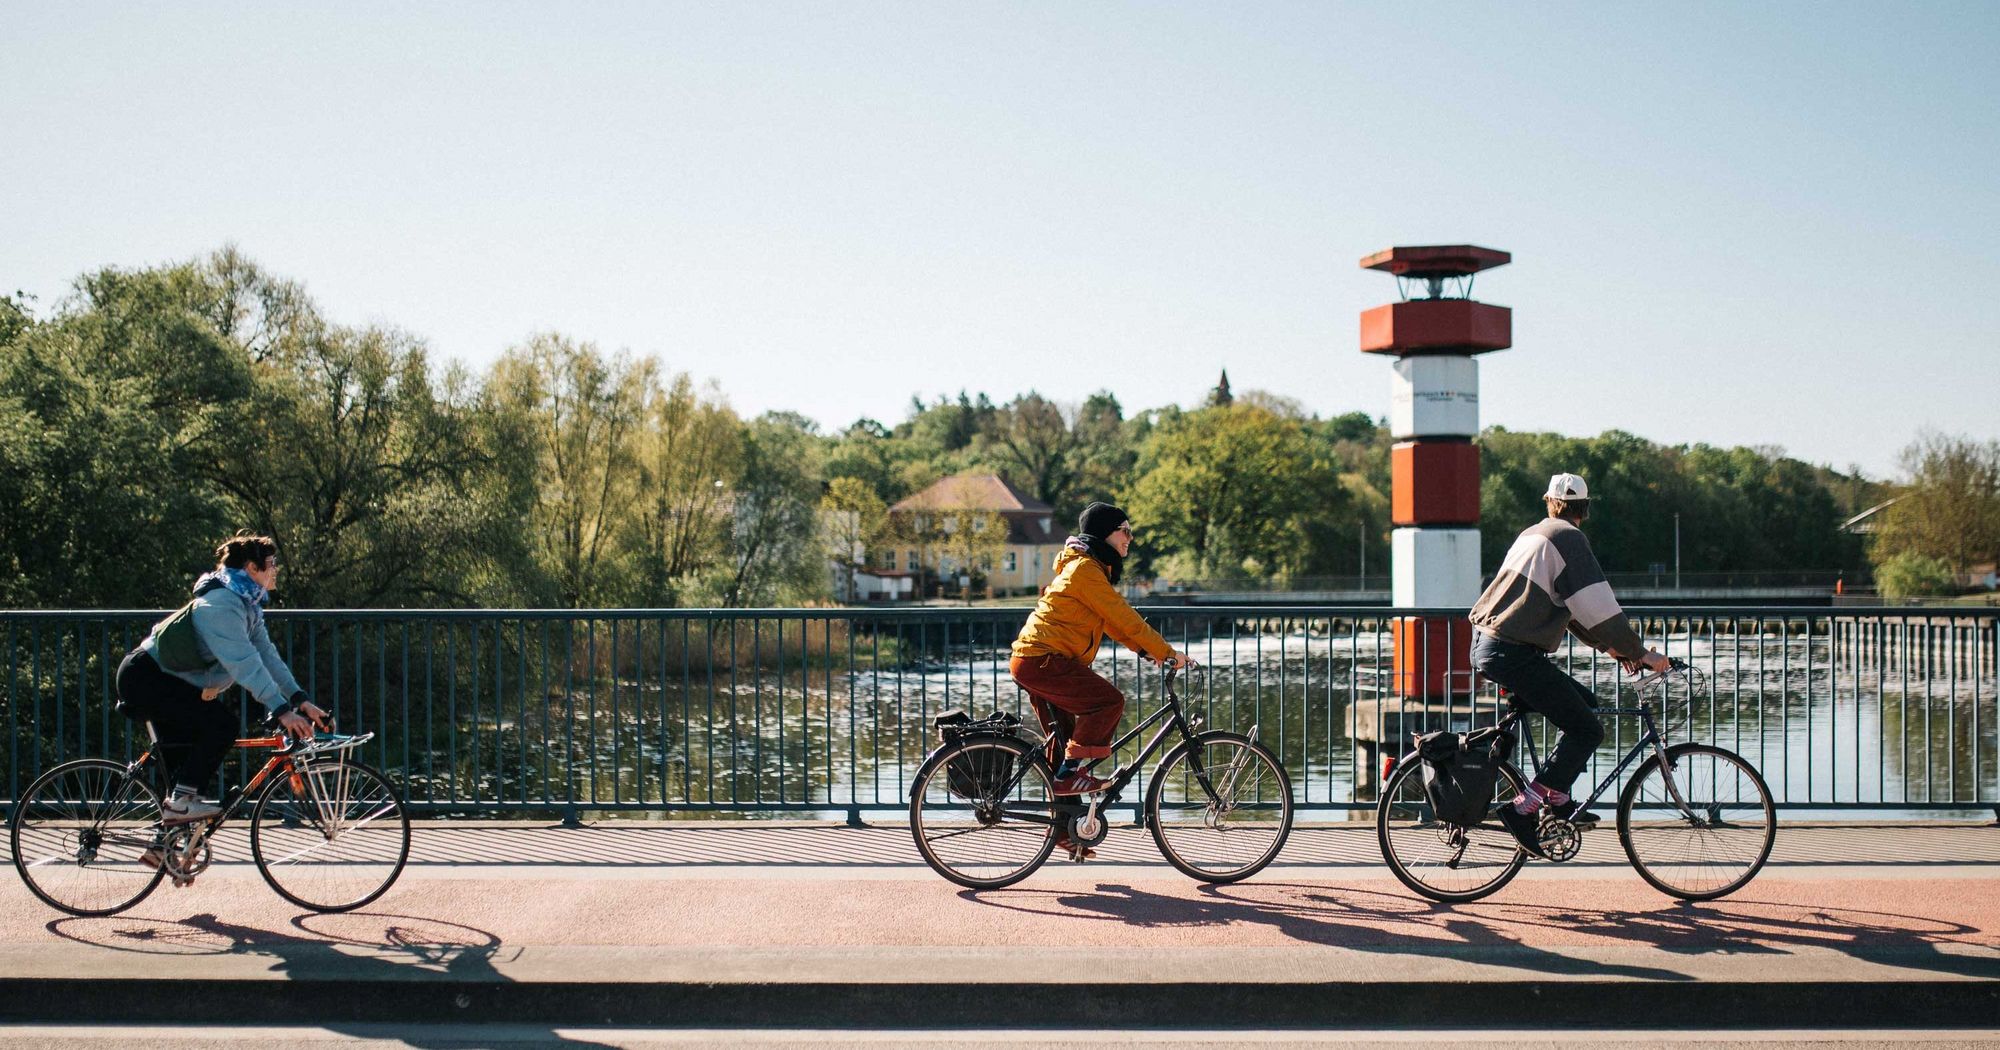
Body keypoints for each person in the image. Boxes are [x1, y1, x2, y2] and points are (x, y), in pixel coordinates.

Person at [1468, 473, 1670, 857]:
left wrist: (1615, 651)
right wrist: (1641, 652)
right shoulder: (1568, 539)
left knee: (1586, 704)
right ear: (1586, 509)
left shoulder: (1533, 534)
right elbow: (1597, 604)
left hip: (1490, 644)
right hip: (1512, 652)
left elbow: (1573, 611)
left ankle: (1556, 798)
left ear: (1550, 502)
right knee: (1588, 730)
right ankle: (1523, 809)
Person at [115, 532, 331, 826]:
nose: (275, 569)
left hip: (167, 680)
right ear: (251, 570)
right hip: (145, 678)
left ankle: (165, 848)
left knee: (187, 772)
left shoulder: (246, 604)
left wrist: (300, 699)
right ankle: (179, 807)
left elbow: (266, 655)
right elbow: (245, 664)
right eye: (270, 564)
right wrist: (281, 711)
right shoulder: (220, 605)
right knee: (221, 725)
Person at [1011, 502, 1194, 811]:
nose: (1130, 538)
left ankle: (1067, 833)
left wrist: (1146, 651)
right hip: (1044, 661)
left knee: (1064, 747)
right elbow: (1124, 617)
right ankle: (1070, 778)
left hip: (1039, 661)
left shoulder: (1088, 568)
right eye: (1124, 531)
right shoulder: (1085, 570)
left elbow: (1112, 624)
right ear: (1104, 535)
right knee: (1107, 702)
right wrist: (1168, 652)